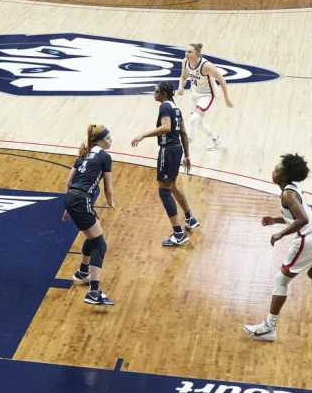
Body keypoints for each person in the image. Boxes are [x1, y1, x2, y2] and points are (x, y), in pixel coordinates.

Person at [243, 152, 312, 343]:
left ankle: (269, 327)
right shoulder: (292, 188)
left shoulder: (288, 194)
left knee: (281, 280)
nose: (274, 170)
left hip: (307, 240)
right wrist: (275, 220)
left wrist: (280, 233)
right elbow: (297, 215)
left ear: (284, 175)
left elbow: (302, 219)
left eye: (278, 169)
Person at [133, 80, 200, 248]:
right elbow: (183, 133)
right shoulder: (176, 108)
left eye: (156, 91)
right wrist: (187, 155)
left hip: (168, 150)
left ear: (163, 93)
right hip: (176, 150)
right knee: (173, 186)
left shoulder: (164, 107)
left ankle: (178, 233)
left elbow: (166, 127)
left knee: (164, 191)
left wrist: (142, 135)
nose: (154, 94)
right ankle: (190, 218)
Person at [63, 125, 118, 307]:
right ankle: (94, 292)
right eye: (108, 138)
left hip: (72, 199)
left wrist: (66, 207)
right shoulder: (104, 157)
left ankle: (83, 272)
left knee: (93, 236)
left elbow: (69, 182)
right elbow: (108, 187)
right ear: (100, 140)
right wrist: (111, 202)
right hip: (82, 200)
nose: (111, 141)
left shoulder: (83, 154)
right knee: (100, 244)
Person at [176, 43, 229, 151]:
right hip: (195, 94)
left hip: (208, 95)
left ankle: (184, 150)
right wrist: (180, 87)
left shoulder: (206, 66)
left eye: (190, 52)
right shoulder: (185, 62)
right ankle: (215, 139)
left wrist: (227, 99)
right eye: (186, 51)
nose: (186, 54)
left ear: (197, 54)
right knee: (199, 122)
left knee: (193, 120)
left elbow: (222, 80)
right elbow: (183, 76)